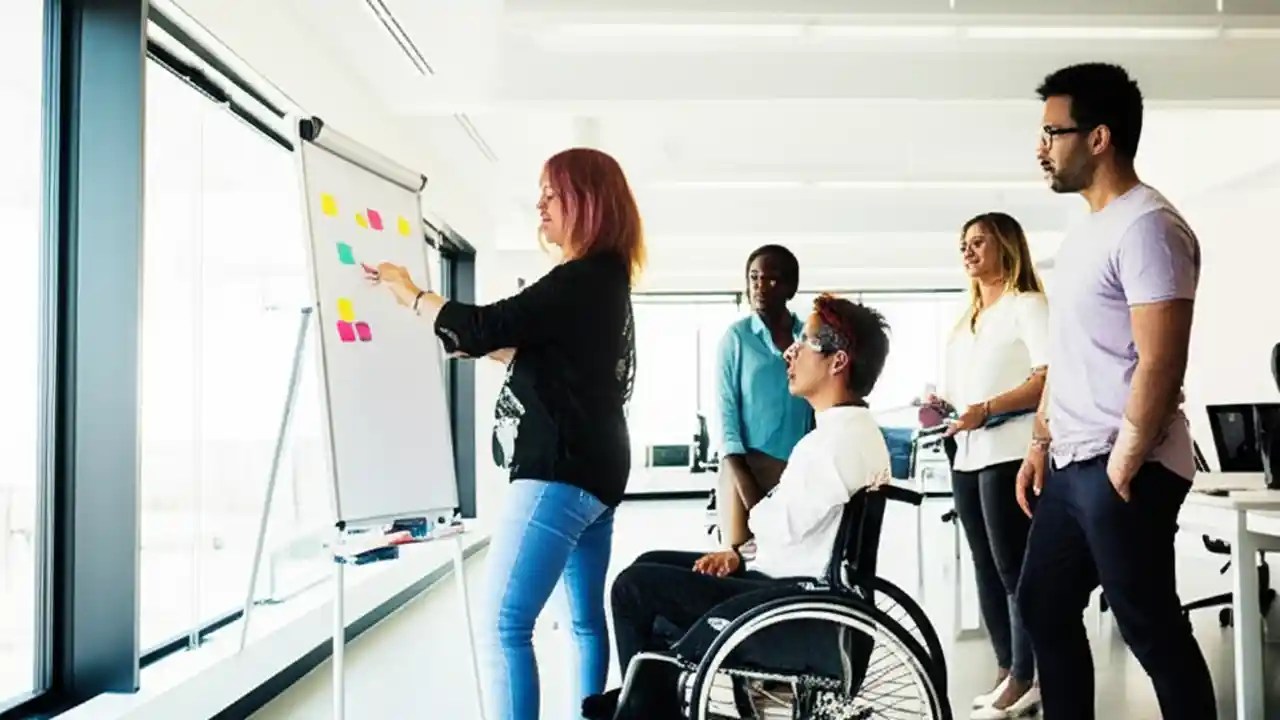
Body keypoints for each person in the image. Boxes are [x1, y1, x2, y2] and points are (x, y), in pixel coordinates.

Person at [364, 147, 644, 720]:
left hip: (559, 471)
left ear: (589, 202)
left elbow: (483, 324)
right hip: (598, 470)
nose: (540, 204)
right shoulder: (608, 280)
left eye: (553, 193)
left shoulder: (579, 278)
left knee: (502, 625)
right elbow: (554, 359)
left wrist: (410, 293)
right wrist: (482, 346)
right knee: (585, 622)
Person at [1015, 63, 1215, 719]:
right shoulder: (1085, 233)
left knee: (1150, 627)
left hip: (1127, 464)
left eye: (1053, 132)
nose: (1041, 148)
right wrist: (1039, 443)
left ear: (1099, 138)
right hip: (1072, 463)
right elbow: (1069, 355)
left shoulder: (1149, 226)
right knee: (1043, 606)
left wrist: (1123, 464)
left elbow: (1161, 360)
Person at [584, 294, 892, 718]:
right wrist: (739, 552)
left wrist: (753, 525)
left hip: (790, 608)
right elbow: (789, 528)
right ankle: (648, 696)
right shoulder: (847, 433)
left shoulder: (836, 443)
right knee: (650, 562)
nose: (791, 352)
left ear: (837, 362)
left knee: (634, 588)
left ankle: (645, 704)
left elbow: (774, 524)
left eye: (804, 341)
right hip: (792, 586)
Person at [927, 212, 1047, 719]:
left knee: (1012, 566)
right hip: (968, 454)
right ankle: (1006, 669)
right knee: (984, 565)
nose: (968, 251)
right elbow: (964, 393)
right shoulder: (967, 321)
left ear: (1006, 247)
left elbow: (1048, 378)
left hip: (1010, 452)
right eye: (964, 243)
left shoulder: (1027, 305)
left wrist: (989, 407)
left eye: (979, 242)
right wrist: (944, 404)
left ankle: (1028, 675)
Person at [714, 245, 813, 553]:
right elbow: (726, 415)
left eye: (771, 279)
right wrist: (746, 485)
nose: (759, 286)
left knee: (791, 558)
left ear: (790, 287)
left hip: (798, 467)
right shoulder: (737, 338)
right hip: (745, 465)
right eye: (754, 277)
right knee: (739, 557)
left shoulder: (809, 338)